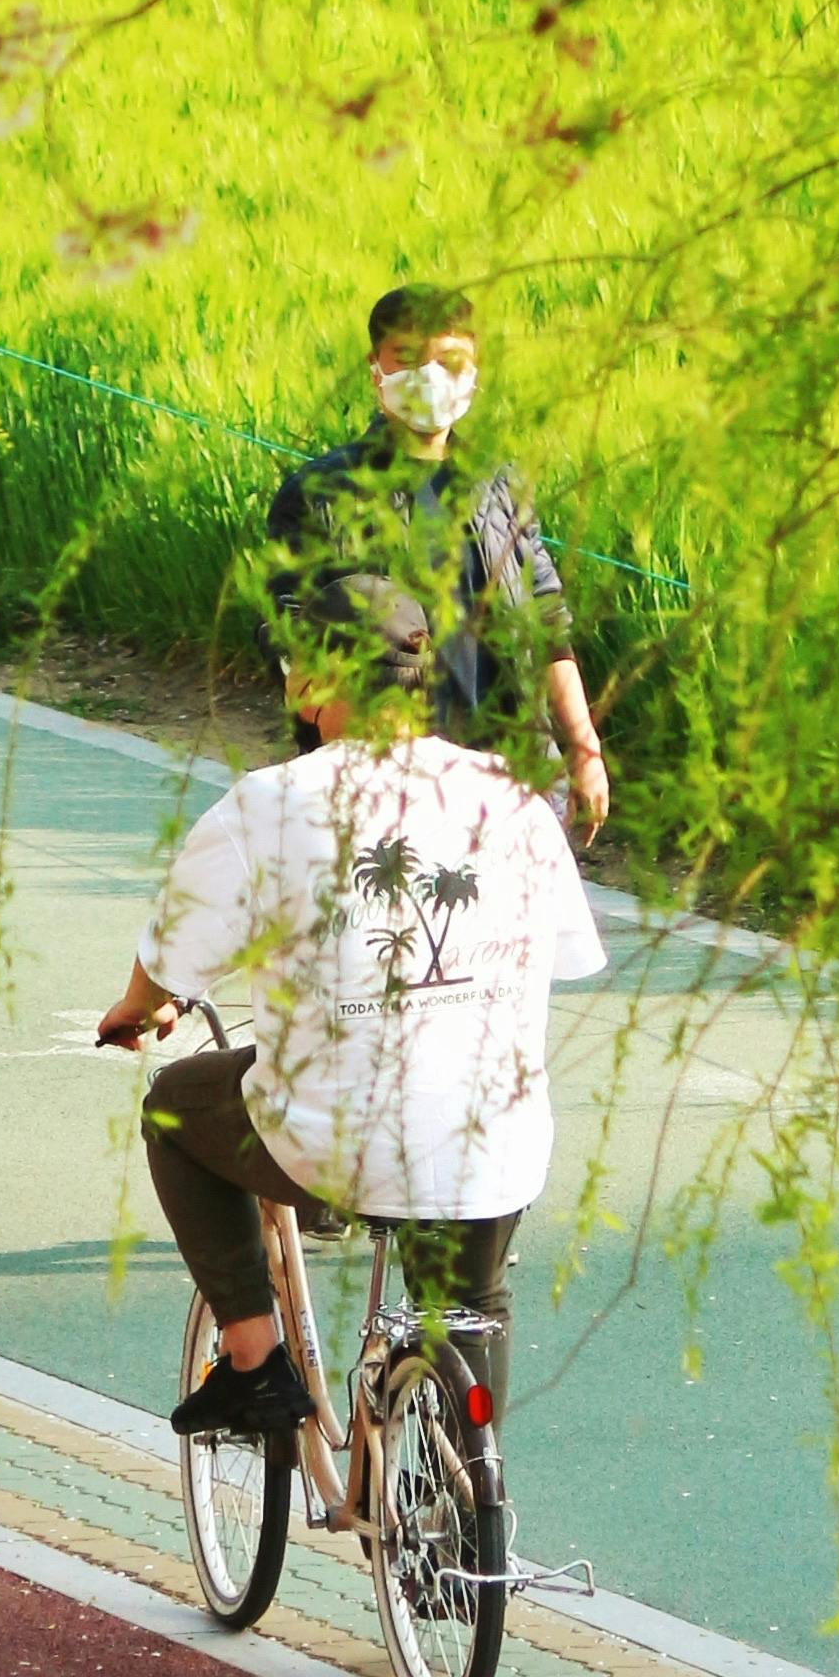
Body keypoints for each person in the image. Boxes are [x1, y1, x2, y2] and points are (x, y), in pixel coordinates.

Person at [94, 596, 606, 1442]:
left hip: (332, 1143)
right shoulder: (511, 796)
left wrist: (141, 1008)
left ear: (314, 682)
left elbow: (172, 960)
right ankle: (468, 1486)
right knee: (469, 1307)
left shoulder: (267, 804)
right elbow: (562, 954)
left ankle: (254, 1366)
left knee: (173, 1109)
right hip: (493, 1140)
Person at [265, 281, 608, 836]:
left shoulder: (501, 487)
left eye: (448, 360)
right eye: (406, 357)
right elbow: (288, 637)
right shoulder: (322, 495)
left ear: (473, 370)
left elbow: (548, 623)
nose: (428, 376)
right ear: (375, 368)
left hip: (512, 774)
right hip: (390, 784)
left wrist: (585, 750)